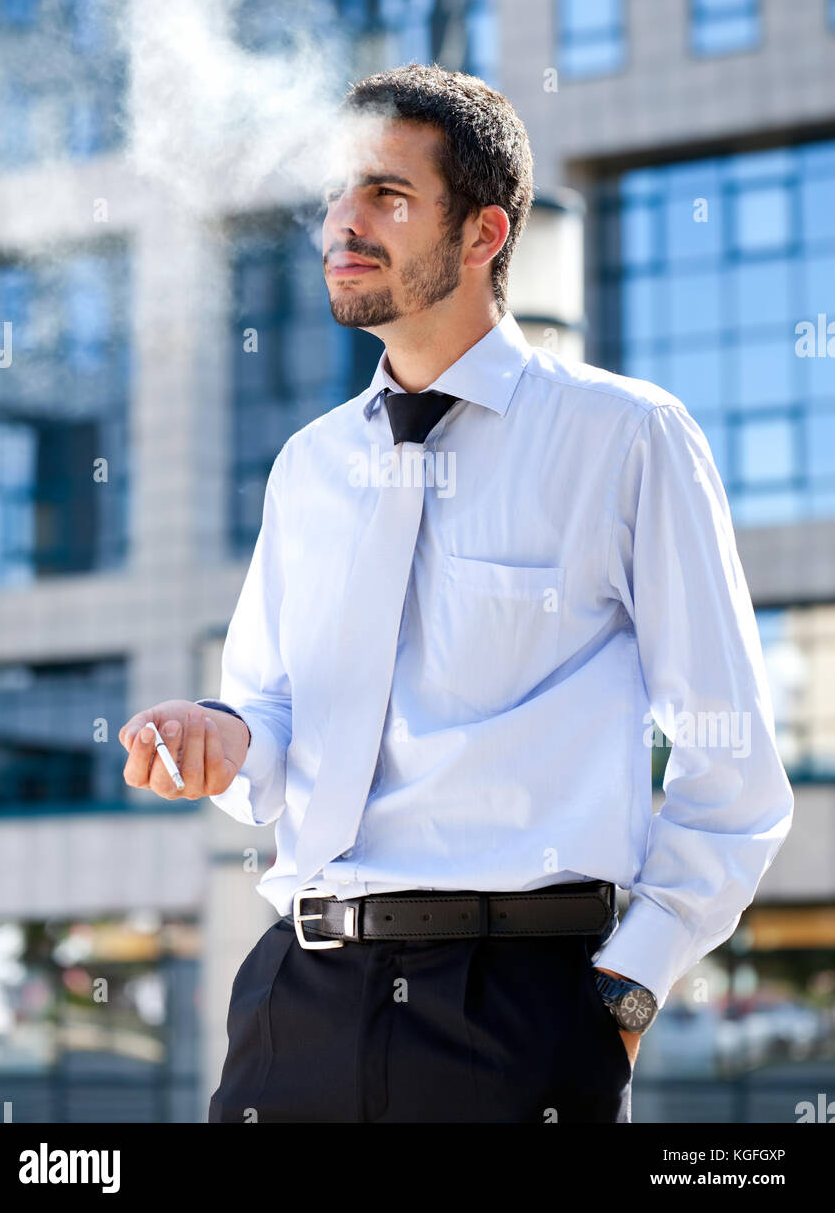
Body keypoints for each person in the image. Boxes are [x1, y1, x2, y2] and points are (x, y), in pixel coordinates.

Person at [119, 62, 794, 1124]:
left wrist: (621, 990)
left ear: (483, 235)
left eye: (386, 196)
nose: (343, 222)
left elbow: (734, 771)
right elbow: (275, 713)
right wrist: (217, 730)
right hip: (298, 997)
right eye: (337, 193)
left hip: (515, 1011)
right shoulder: (308, 465)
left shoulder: (623, 438)